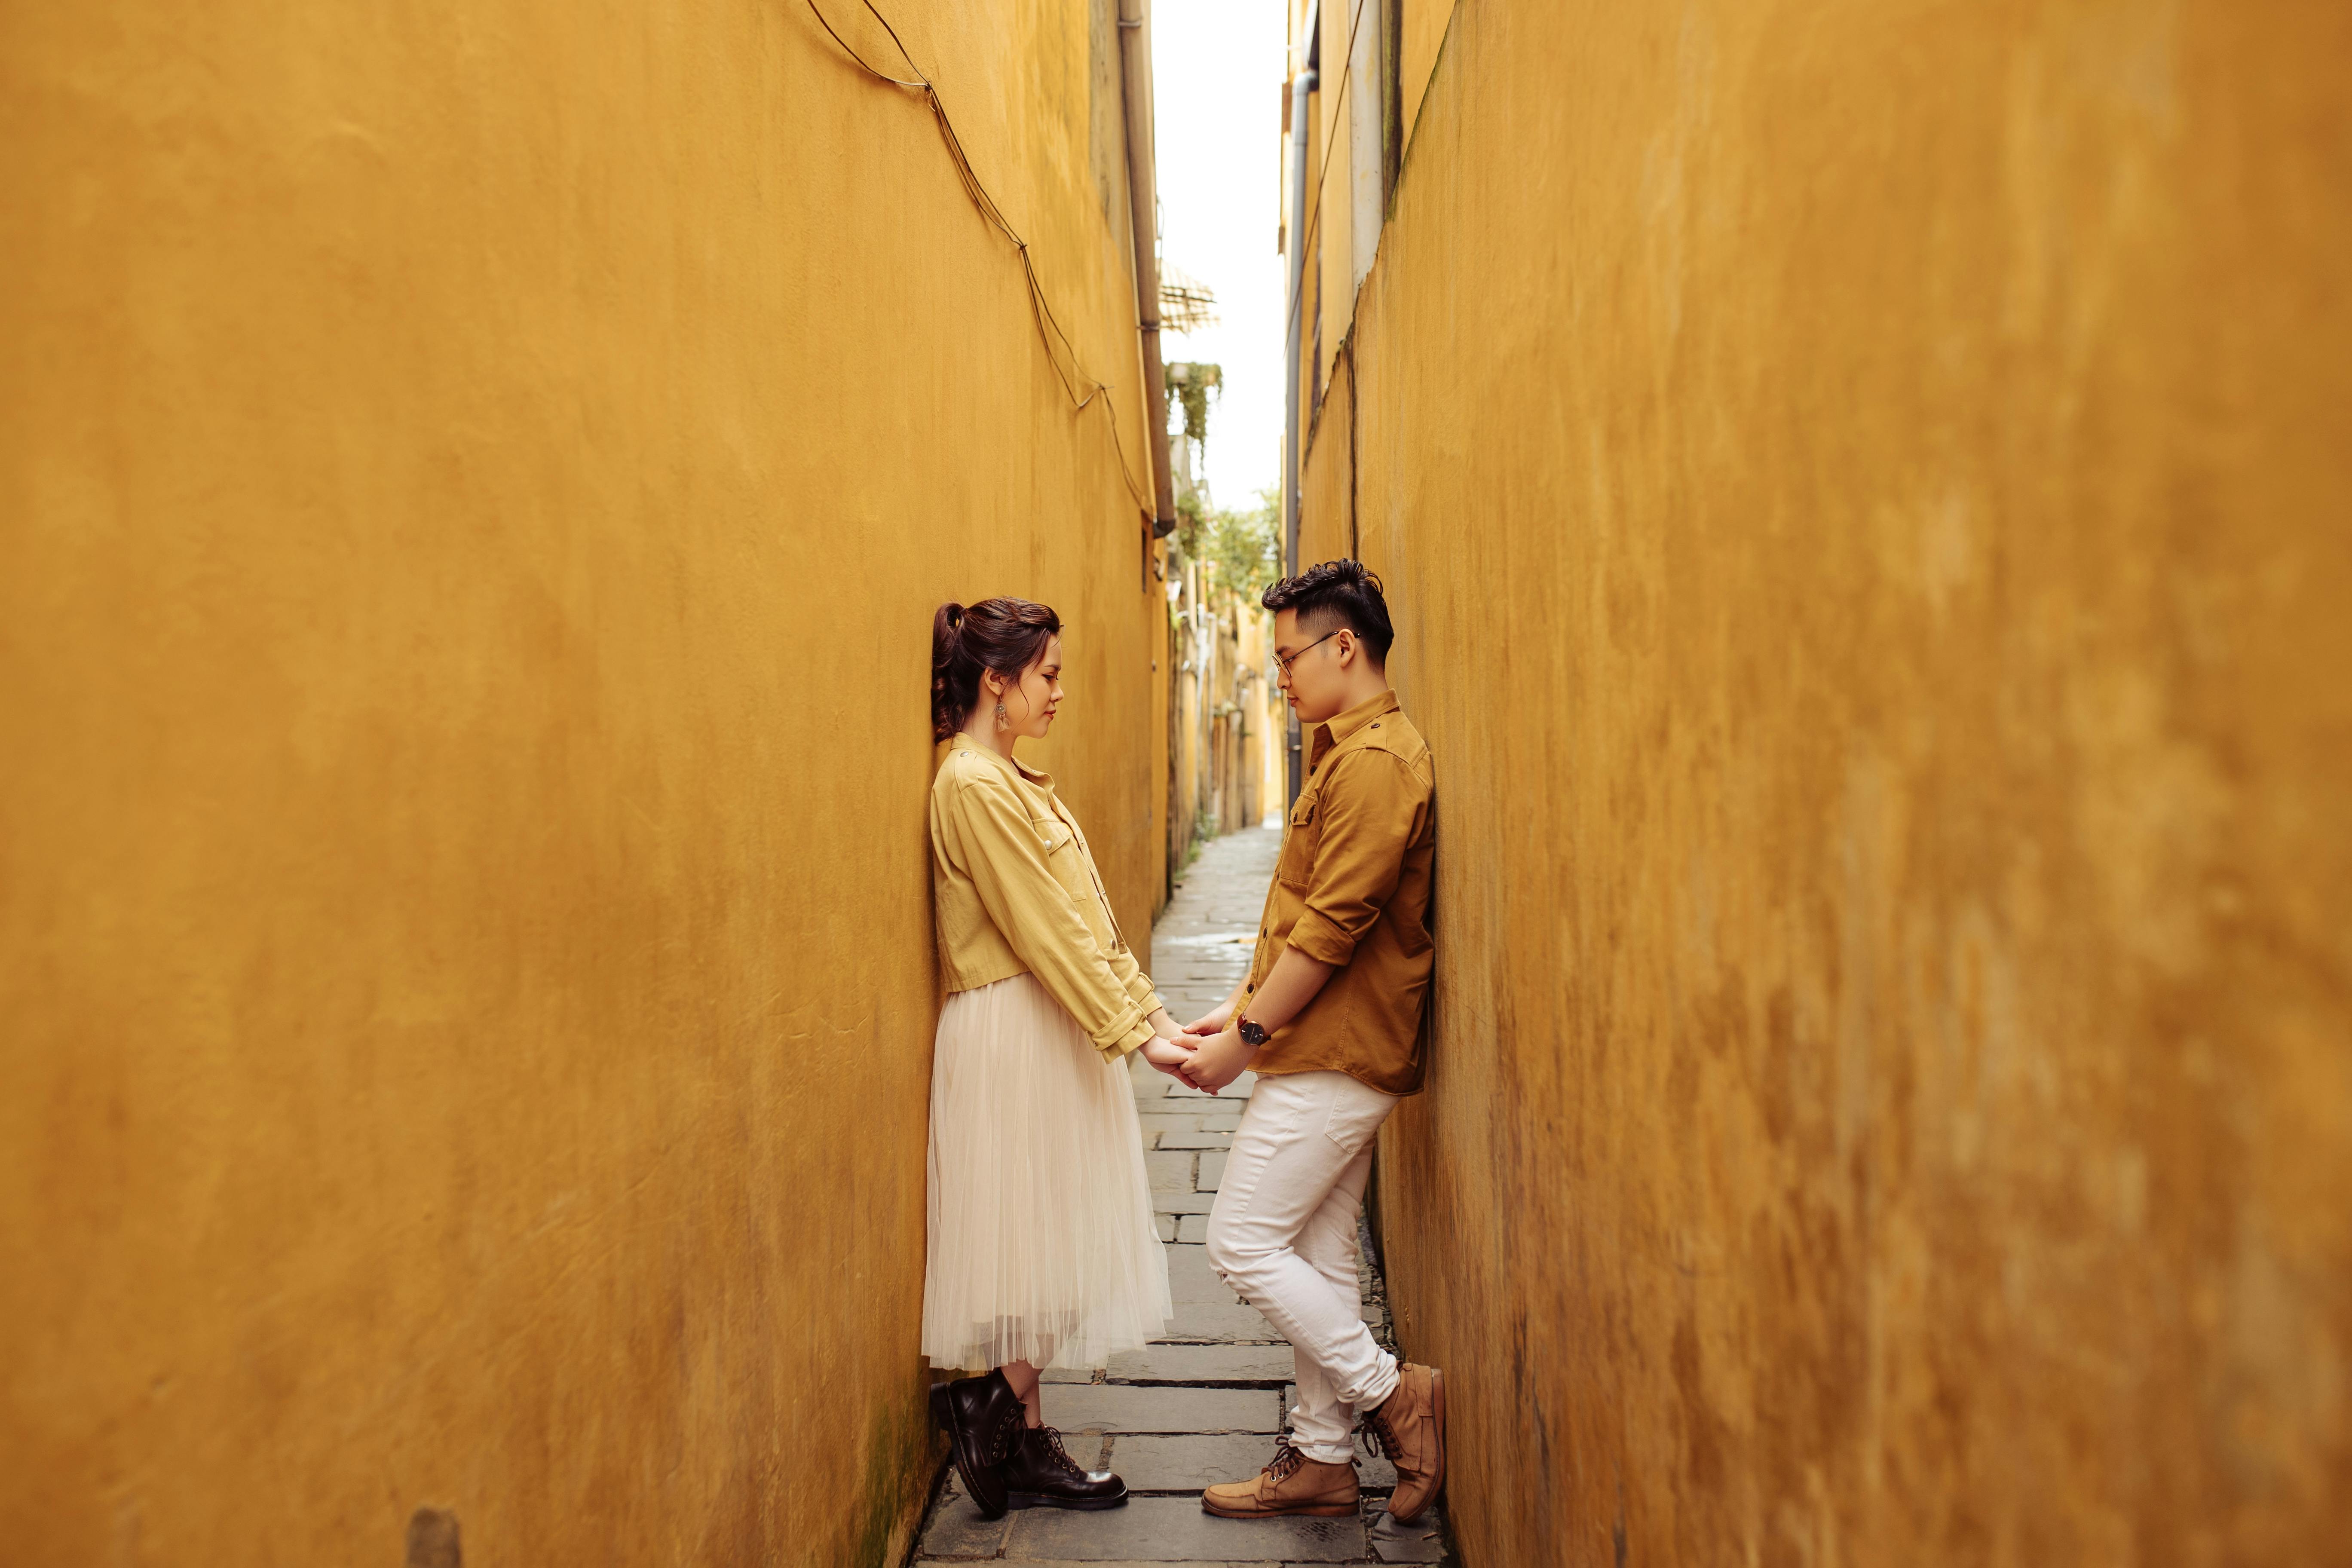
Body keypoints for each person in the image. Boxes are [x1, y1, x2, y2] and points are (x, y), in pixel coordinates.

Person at [921, 596, 1202, 1520]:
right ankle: (991, 1407)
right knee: (1061, 1234)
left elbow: (1087, 923)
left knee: (1044, 1241)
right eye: (1046, 675)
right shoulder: (972, 786)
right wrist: (1138, 1034)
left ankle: (1019, 1436)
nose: (1059, 692)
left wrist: (1151, 1011)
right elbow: (1046, 931)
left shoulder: (1008, 779)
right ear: (995, 680)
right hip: (1015, 1024)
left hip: (1047, 1019)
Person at [1177, 561, 1446, 1524]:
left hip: (1336, 1053)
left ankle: (1392, 1396)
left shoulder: (1375, 764)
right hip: (1325, 1046)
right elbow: (1301, 917)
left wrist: (1245, 1039)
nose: (1280, 675)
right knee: (1321, 1254)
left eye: (1290, 657)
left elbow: (1333, 929)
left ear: (1345, 646)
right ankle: (1325, 1462)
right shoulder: (1349, 753)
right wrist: (1236, 1007)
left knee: (1242, 1241)